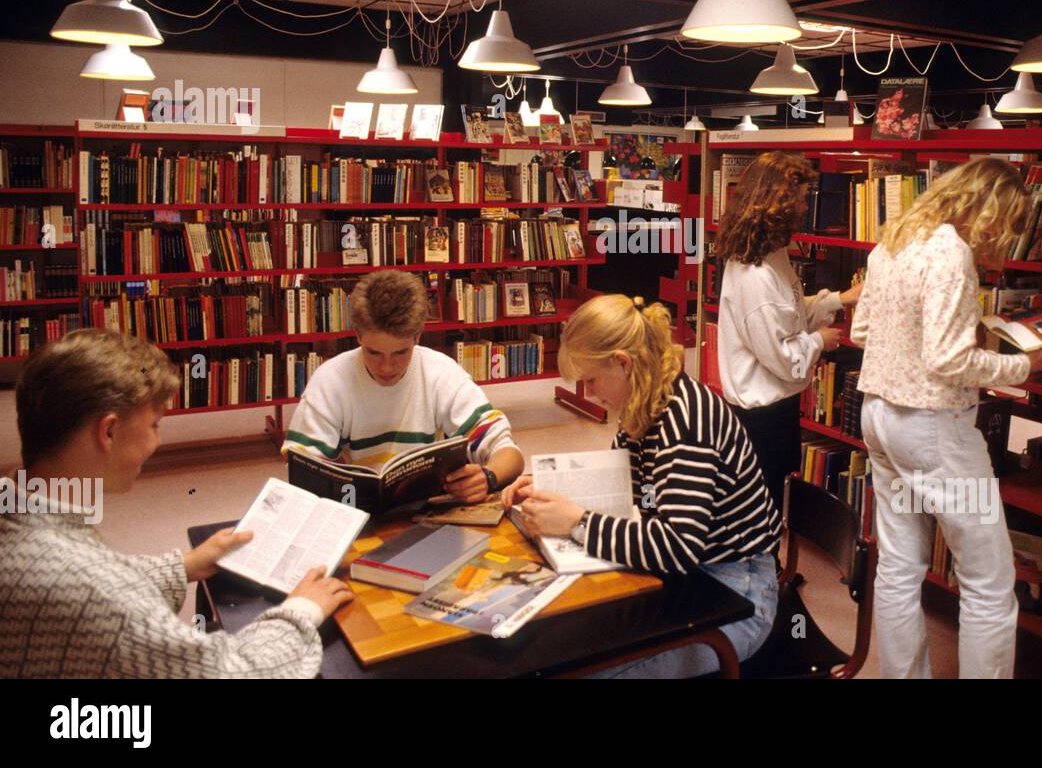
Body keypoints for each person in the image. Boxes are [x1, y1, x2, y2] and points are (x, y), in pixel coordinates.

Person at [0, 329, 353, 677]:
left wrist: (183, 565)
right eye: (154, 424)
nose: (158, 439)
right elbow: (236, 674)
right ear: (107, 431)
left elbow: (91, 586)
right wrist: (302, 611)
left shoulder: (16, 505)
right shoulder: (94, 589)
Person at [850, 157, 1042, 679]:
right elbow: (948, 361)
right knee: (990, 584)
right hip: (934, 432)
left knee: (900, 567)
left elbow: (862, 332)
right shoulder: (951, 251)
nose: (1002, 236)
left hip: (880, 420)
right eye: (1006, 221)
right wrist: (1025, 363)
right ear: (987, 205)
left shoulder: (895, 240)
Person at [503, 294, 781, 678]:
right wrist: (551, 483)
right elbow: (626, 484)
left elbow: (677, 547)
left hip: (735, 597)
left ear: (622, 362)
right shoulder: (645, 399)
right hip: (697, 579)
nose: (591, 392)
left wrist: (575, 522)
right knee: (559, 644)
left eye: (592, 380)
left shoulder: (684, 425)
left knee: (584, 670)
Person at [284, 270, 524, 502]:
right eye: (374, 352)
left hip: (427, 512)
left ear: (417, 336)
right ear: (357, 335)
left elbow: (509, 453)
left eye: (400, 352)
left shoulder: (440, 372)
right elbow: (304, 470)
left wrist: (488, 477)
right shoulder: (329, 381)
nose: (387, 367)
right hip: (352, 510)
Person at [715, 152, 861, 504]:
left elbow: (787, 315)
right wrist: (818, 342)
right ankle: (764, 562)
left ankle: (766, 559)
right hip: (760, 419)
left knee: (769, 498)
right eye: (798, 199)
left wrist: (838, 300)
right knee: (760, 508)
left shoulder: (770, 256)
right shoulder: (758, 275)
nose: (802, 207)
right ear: (776, 204)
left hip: (772, 412)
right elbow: (784, 357)